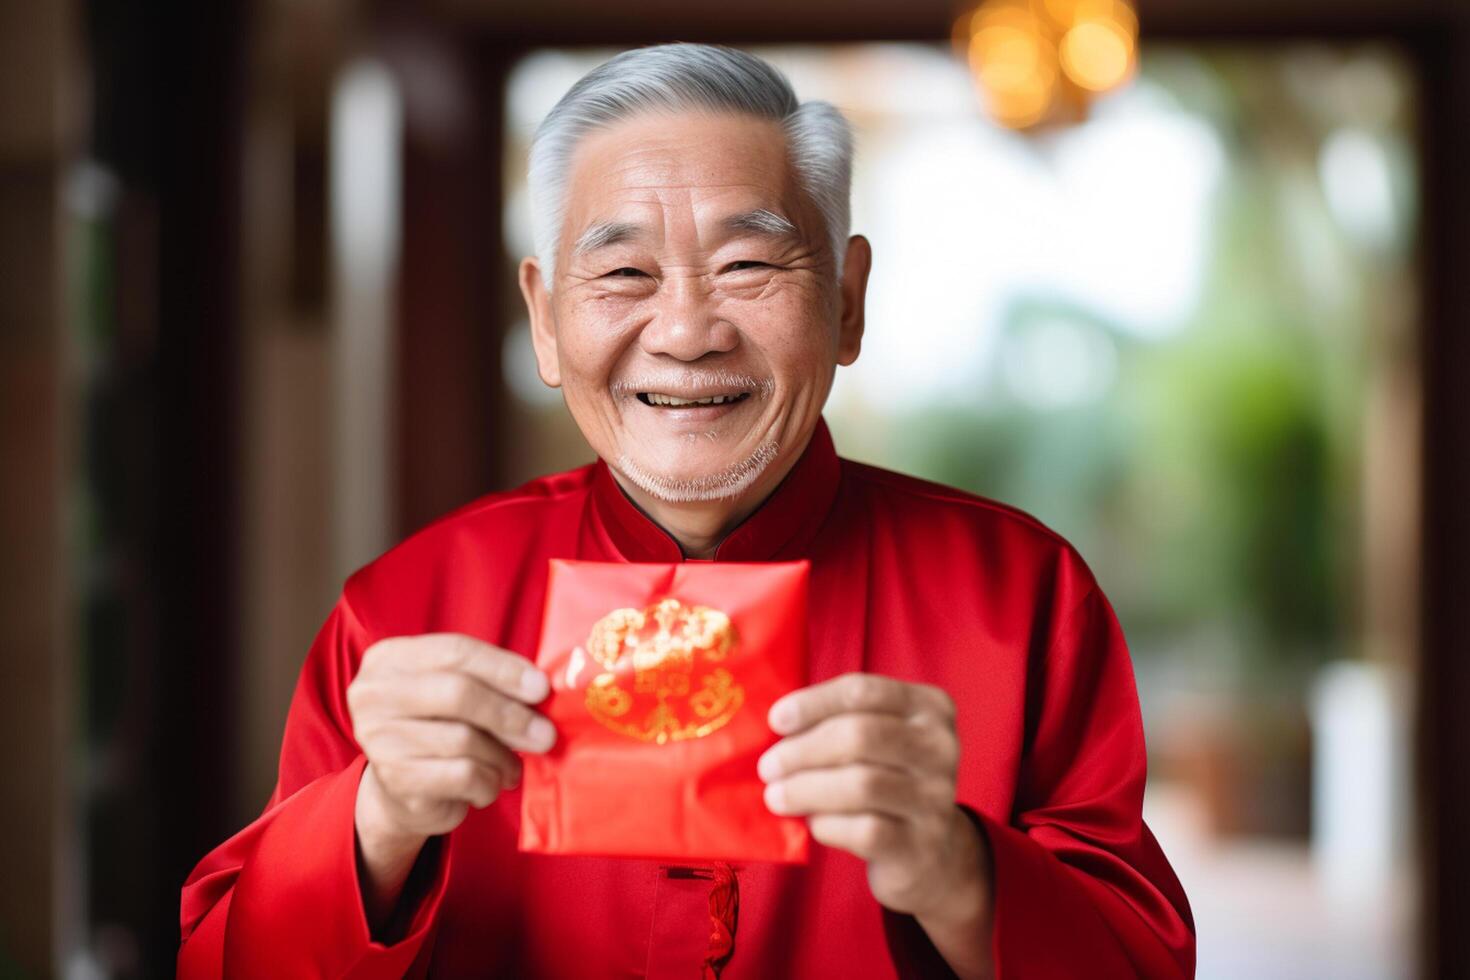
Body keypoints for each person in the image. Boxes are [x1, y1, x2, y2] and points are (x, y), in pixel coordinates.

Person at [179, 43, 1194, 979]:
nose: (687, 330)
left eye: (748, 265)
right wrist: (374, 823)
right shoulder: (407, 608)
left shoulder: (1020, 600)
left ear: (847, 300)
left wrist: (960, 869)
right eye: (623, 273)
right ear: (541, 316)